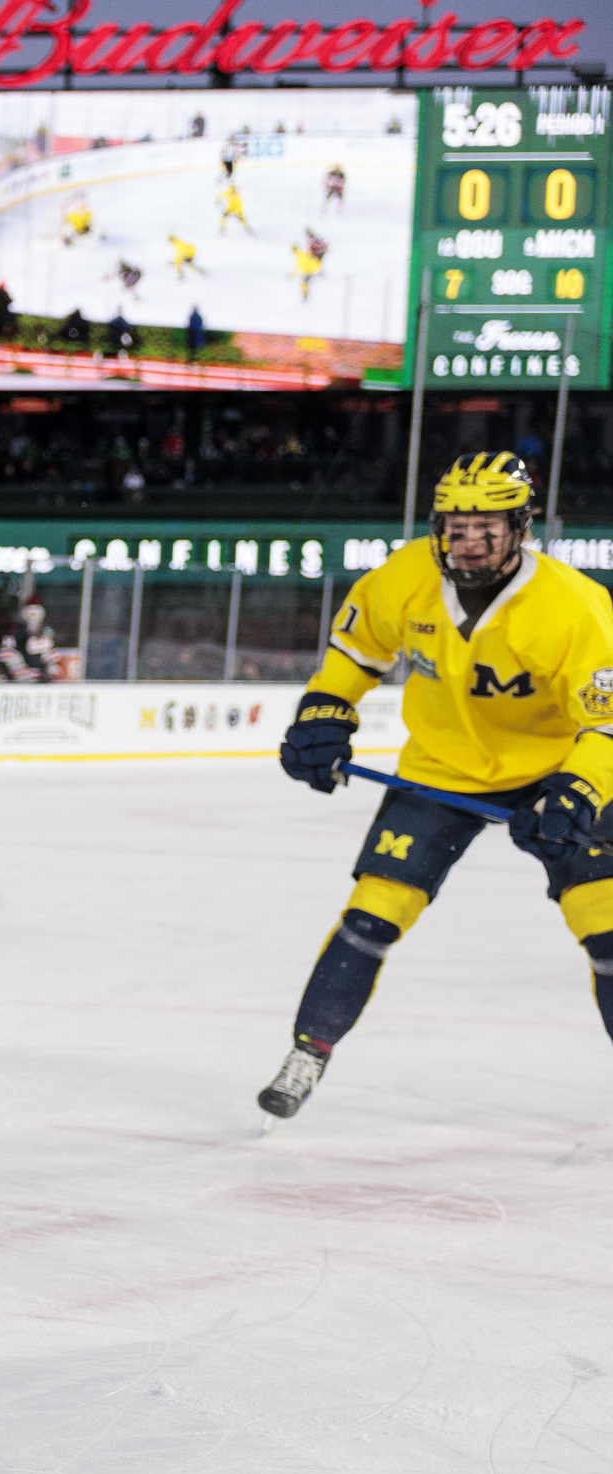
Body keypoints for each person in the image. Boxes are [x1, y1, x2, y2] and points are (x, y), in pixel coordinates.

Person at [258, 452, 613, 1120]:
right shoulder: (404, 577)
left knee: (608, 925)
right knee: (372, 913)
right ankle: (307, 1051)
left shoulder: (575, 608)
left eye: (488, 529)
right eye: (456, 526)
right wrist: (324, 712)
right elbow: (352, 658)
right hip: (441, 768)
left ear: (521, 528)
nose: (469, 542)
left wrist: (578, 791)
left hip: (557, 771)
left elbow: (608, 725)